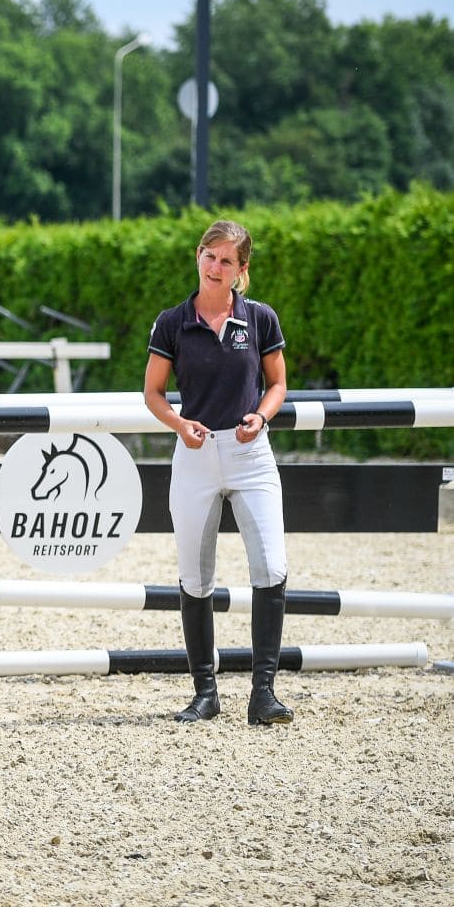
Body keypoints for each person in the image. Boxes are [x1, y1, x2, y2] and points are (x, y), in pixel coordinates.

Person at [143, 219, 294, 726]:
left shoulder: (261, 319)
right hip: (197, 452)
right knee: (194, 573)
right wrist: (179, 424)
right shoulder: (171, 322)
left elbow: (277, 385)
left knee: (271, 566)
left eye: (227, 260)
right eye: (210, 256)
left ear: (241, 271)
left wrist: (263, 415)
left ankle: (264, 693)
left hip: (252, 454)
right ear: (198, 257)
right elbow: (153, 394)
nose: (216, 266)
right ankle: (204, 692)